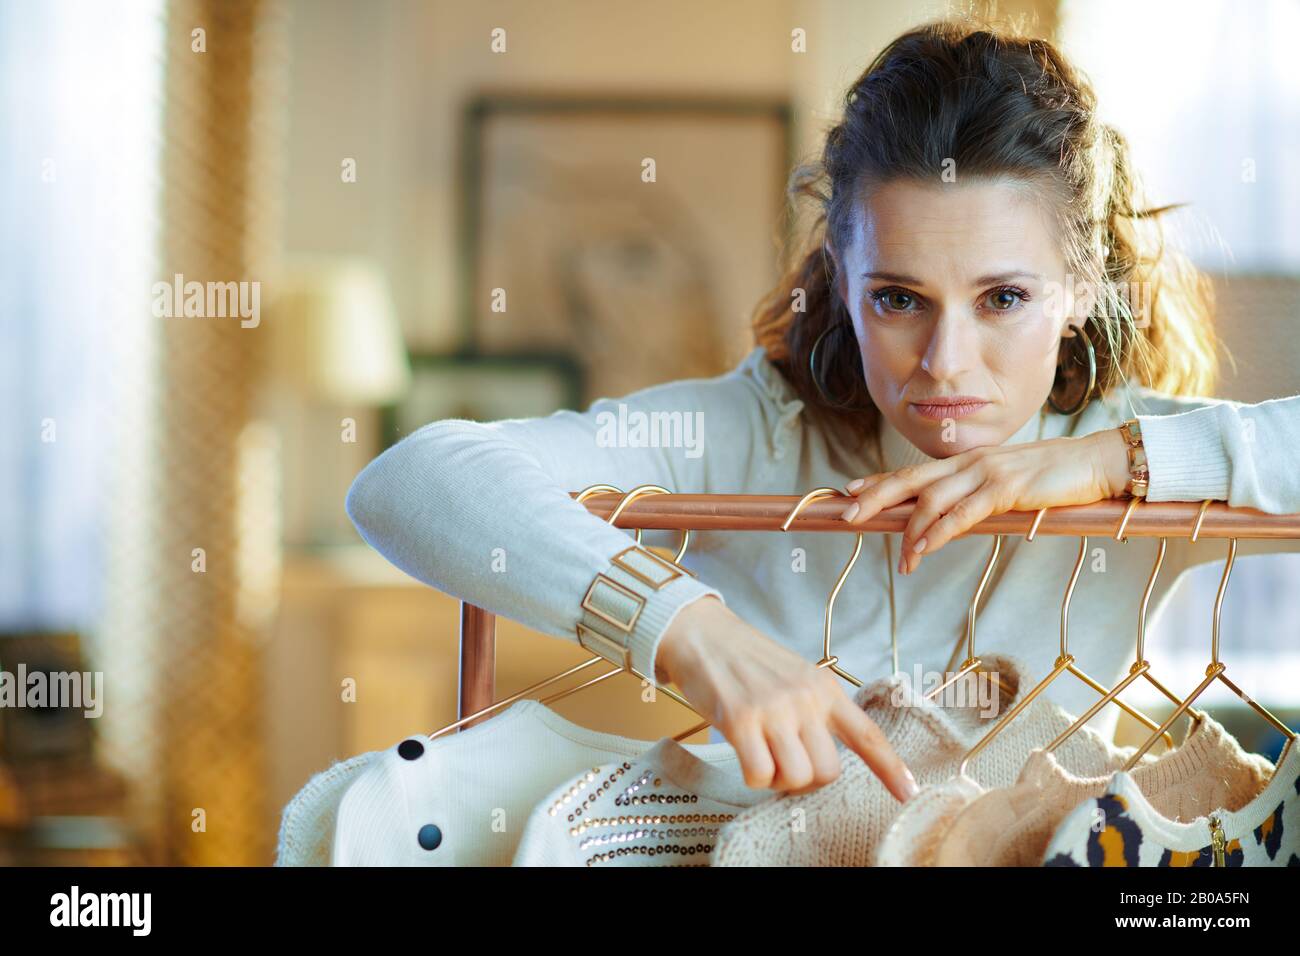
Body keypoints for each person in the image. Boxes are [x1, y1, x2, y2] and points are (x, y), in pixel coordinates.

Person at [344, 18, 1300, 806]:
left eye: (1004, 299)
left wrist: (1108, 463)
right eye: (898, 298)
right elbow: (408, 481)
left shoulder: (1145, 457)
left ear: (1082, 287)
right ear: (842, 281)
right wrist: (693, 633)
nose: (944, 363)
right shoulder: (754, 435)